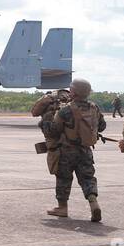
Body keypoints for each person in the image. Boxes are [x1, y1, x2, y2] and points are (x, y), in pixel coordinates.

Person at [46, 78, 105, 222]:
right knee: (87, 178)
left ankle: (62, 207)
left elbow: (53, 131)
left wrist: (45, 121)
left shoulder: (65, 110)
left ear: (74, 92)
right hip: (85, 151)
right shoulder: (94, 108)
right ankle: (93, 203)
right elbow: (102, 126)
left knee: (63, 178)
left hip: (67, 151)